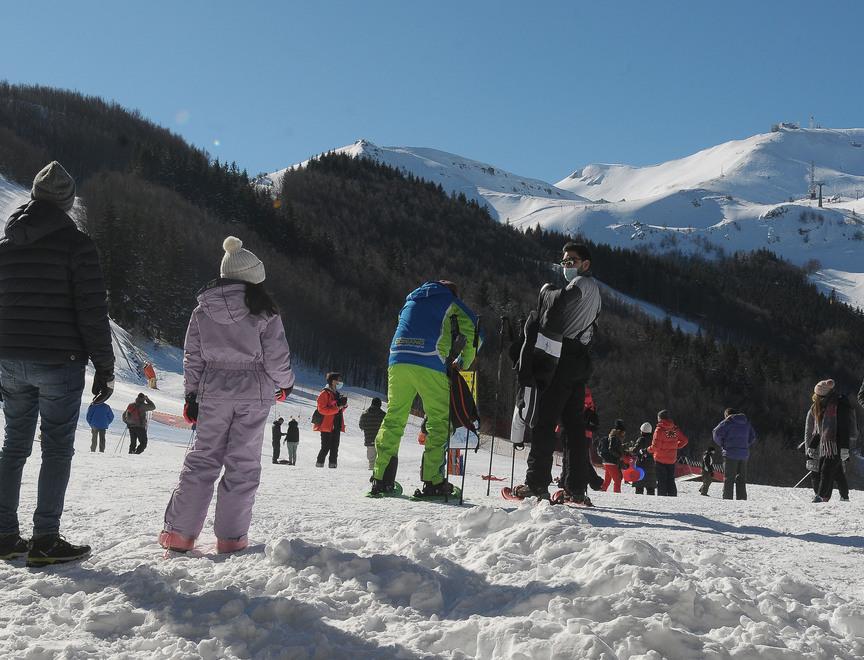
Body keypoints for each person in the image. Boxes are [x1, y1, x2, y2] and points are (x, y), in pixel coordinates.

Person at [0, 161, 114, 566]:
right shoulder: (77, 245)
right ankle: (45, 539)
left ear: (33, 196)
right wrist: (104, 365)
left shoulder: (6, 246)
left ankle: (4, 535)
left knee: (13, 446)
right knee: (56, 449)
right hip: (59, 362)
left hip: (9, 359)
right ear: (67, 202)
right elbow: (91, 311)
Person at [160, 236, 294, 554]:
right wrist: (285, 383)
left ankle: (180, 535)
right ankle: (231, 540)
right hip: (254, 392)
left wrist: (191, 394)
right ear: (253, 278)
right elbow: (277, 356)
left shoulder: (202, 310)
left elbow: (193, 356)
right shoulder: (265, 312)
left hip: (213, 392)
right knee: (243, 465)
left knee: (202, 460)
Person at [371, 280, 479, 496]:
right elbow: (476, 331)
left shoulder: (411, 299)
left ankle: (381, 479)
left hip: (398, 360)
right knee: (439, 421)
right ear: (454, 293)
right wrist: (463, 361)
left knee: (394, 418)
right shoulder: (450, 301)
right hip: (429, 361)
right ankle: (433, 482)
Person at [512, 243, 602, 504]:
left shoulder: (583, 285)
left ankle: (536, 484)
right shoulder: (595, 291)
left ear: (585, 264)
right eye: (563, 262)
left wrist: (546, 291)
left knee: (545, 421)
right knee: (574, 427)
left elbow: (561, 301)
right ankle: (575, 488)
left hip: (563, 358)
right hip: (580, 360)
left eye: (571, 261)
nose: (566, 266)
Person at [804, 379, 857, 503]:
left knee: (826, 470)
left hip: (837, 443)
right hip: (828, 444)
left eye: (817, 395)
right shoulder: (824, 406)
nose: (815, 397)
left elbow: (844, 428)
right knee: (834, 470)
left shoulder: (839, 405)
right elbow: (821, 430)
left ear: (823, 395)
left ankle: (821, 496)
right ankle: (841, 497)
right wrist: (812, 446)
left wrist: (844, 448)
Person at [712, 408, 758, 500]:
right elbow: (753, 436)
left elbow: (716, 433)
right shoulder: (746, 423)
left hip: (730, 454)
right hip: (743, 454)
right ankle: (741, 500)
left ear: (727, 415)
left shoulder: (727, 422)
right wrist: (745, 444)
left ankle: (728, 500)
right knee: (741, 479)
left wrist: (723, 444)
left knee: (729, 479)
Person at [649, 410, 688, 497]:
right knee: (671, 479)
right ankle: (672, 497)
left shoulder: (659, 430)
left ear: (660, 418)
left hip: (660, 459)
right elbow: (685, 440)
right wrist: (675, 446)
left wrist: (648, 450)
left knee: (661, 480)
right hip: (671, 459)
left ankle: (662, 497)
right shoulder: (675, 429)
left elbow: (655, 446)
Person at [314, 372, 347, 468]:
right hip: (326, 425)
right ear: (333, 381)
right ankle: (319, 465)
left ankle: (333, 466)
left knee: (334, 448)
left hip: (336, 424)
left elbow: (338, 410)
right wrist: (338, 408)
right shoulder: (324, 393)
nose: (340, 382)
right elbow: (322, 410)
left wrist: (343, 406)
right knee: (325, 447)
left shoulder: (337, 394)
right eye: (338, 380)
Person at [600, 420, 626, 493]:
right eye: (623, 432)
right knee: (618, 480)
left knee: (607, 481)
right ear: (619, 431)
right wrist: (619, 456)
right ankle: (617, 494)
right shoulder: (614, 437)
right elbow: (611, 449)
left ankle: (602, 492)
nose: (624, 434)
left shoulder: (613, 437)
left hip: (607, 461)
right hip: (611, 461)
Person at [359, 397, 386, 470]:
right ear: (380, 405)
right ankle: (379, 471)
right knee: (380, 456)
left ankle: (371, 469)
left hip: (369, 438)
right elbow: (386, 426)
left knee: (371, 458)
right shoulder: (383, 415)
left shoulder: (365, 414)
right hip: (380, 439)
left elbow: (361, 426)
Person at [631, 422, 657, 495]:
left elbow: (635, 451)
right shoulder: (654, 440)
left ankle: (639, 502)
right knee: (650, 488)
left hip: (641, 465)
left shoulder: (641, 439)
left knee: (639, 486)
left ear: (642, 431)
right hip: (652, 464)